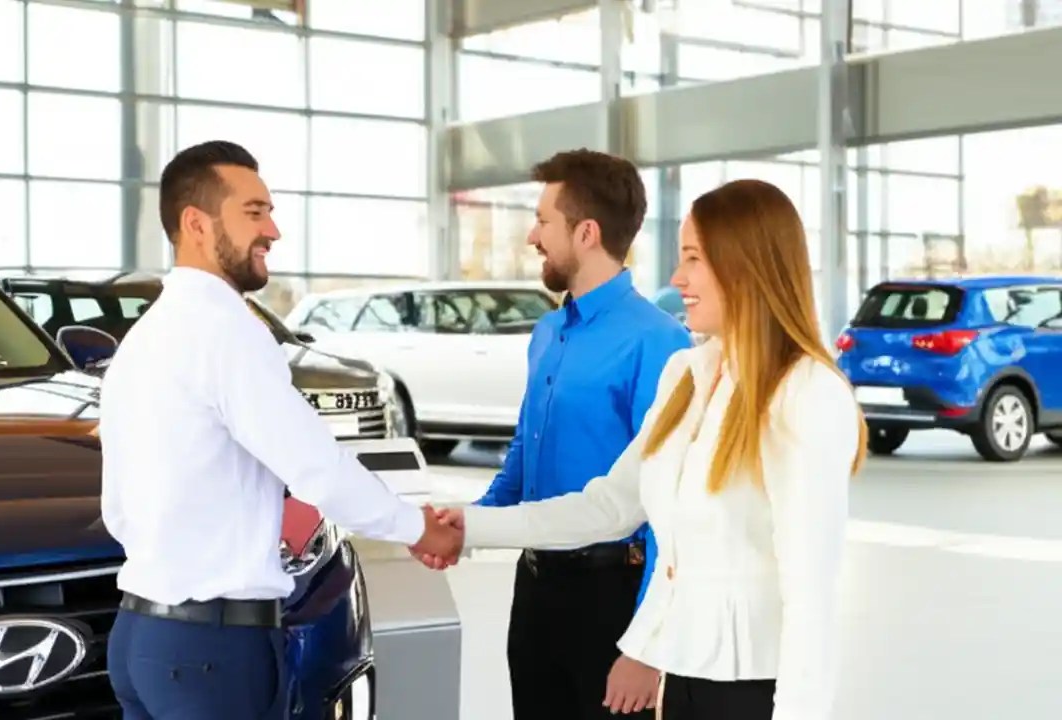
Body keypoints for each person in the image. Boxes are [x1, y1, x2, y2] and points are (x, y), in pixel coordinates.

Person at [431, 179, 868, 720]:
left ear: (747, 264)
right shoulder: (689, 373)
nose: (676, 278)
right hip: (683, 680)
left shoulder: (807, 393)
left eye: (693, 258)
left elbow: (810, 593)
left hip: (757, 690)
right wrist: (470, 527)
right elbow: (611, 507)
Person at [98, 140, 460, 720]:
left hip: (142, 636)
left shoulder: (144, 338)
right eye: (254, 212)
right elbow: (317, 466)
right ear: (195, 223)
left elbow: (121, 504)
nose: (273, 230)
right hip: (213, 652)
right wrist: (419, 528)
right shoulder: (225, 331)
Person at [420, 149, 692, 719]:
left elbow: (669, 503)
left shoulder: (659, 343)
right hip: (537, 586)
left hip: (612, 598)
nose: (531, 236)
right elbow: (525, 456)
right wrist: (466, 525)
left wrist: (646, 646)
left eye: (543, 220)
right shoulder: (547, 332)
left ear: (586, 232)